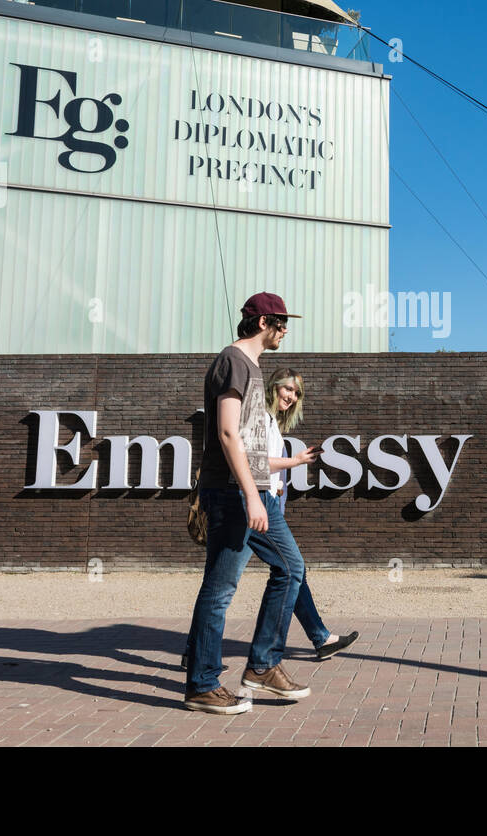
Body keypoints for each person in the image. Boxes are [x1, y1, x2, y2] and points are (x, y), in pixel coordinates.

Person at [182, 292, 311, 715]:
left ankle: (261, 665)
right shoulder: (234, 361)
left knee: (288, 569)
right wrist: (253, 495)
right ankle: (205, 683)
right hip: (236, 492)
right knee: (223, 590)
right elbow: (226, 432)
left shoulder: (251, 366)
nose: (285, 330)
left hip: (248, 492)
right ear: (262, 324)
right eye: (281, 323)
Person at [263, 368, 359, 660]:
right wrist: (296, 461)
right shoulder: (261, 419)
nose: (291, 397)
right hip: (256, 505)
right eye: (287, 389)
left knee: (289, 571)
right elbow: (253, 463)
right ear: (274, 386)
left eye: (296, 393)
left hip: (267, 504)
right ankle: (266, 657)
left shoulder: (272, 423)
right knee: (289, 570)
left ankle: (320, 638)